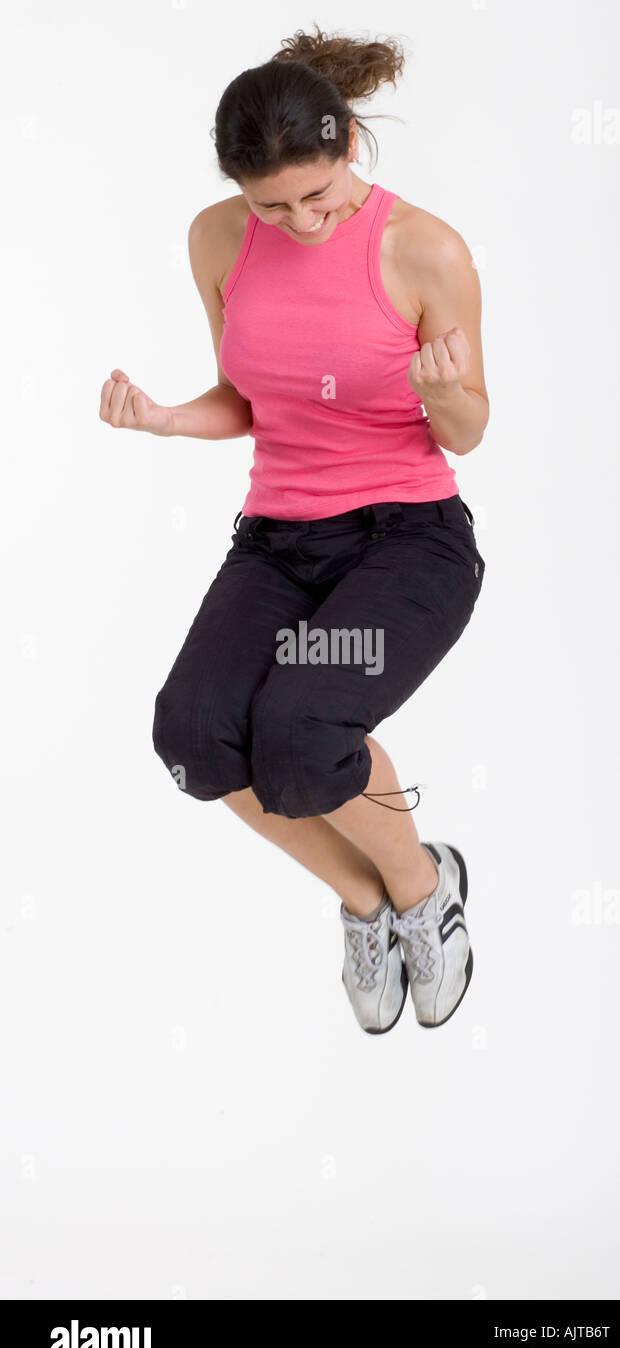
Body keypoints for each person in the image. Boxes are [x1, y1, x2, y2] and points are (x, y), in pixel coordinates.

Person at [99, 26, 489, 1036]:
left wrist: (439, 394)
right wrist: (165, 417)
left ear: (350, 141)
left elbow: (472, 428)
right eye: (271, 204)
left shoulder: (422, 247)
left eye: (316, 195)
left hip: (408, 539)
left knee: (303, 732)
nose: (300, 221)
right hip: (278, 541)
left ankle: (419, 889)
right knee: (194, 739)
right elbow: (246, 395)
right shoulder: (217, 238)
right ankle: (360, 902)